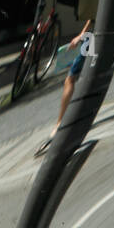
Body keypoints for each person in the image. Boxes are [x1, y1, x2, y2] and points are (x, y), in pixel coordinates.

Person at [36, 18, 92, 156]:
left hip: (90, 38)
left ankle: (60, 123)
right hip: (91, 37)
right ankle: (67, 120)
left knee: (71, 78)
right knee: (79, 77)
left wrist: (81, 36)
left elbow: (92, 15)